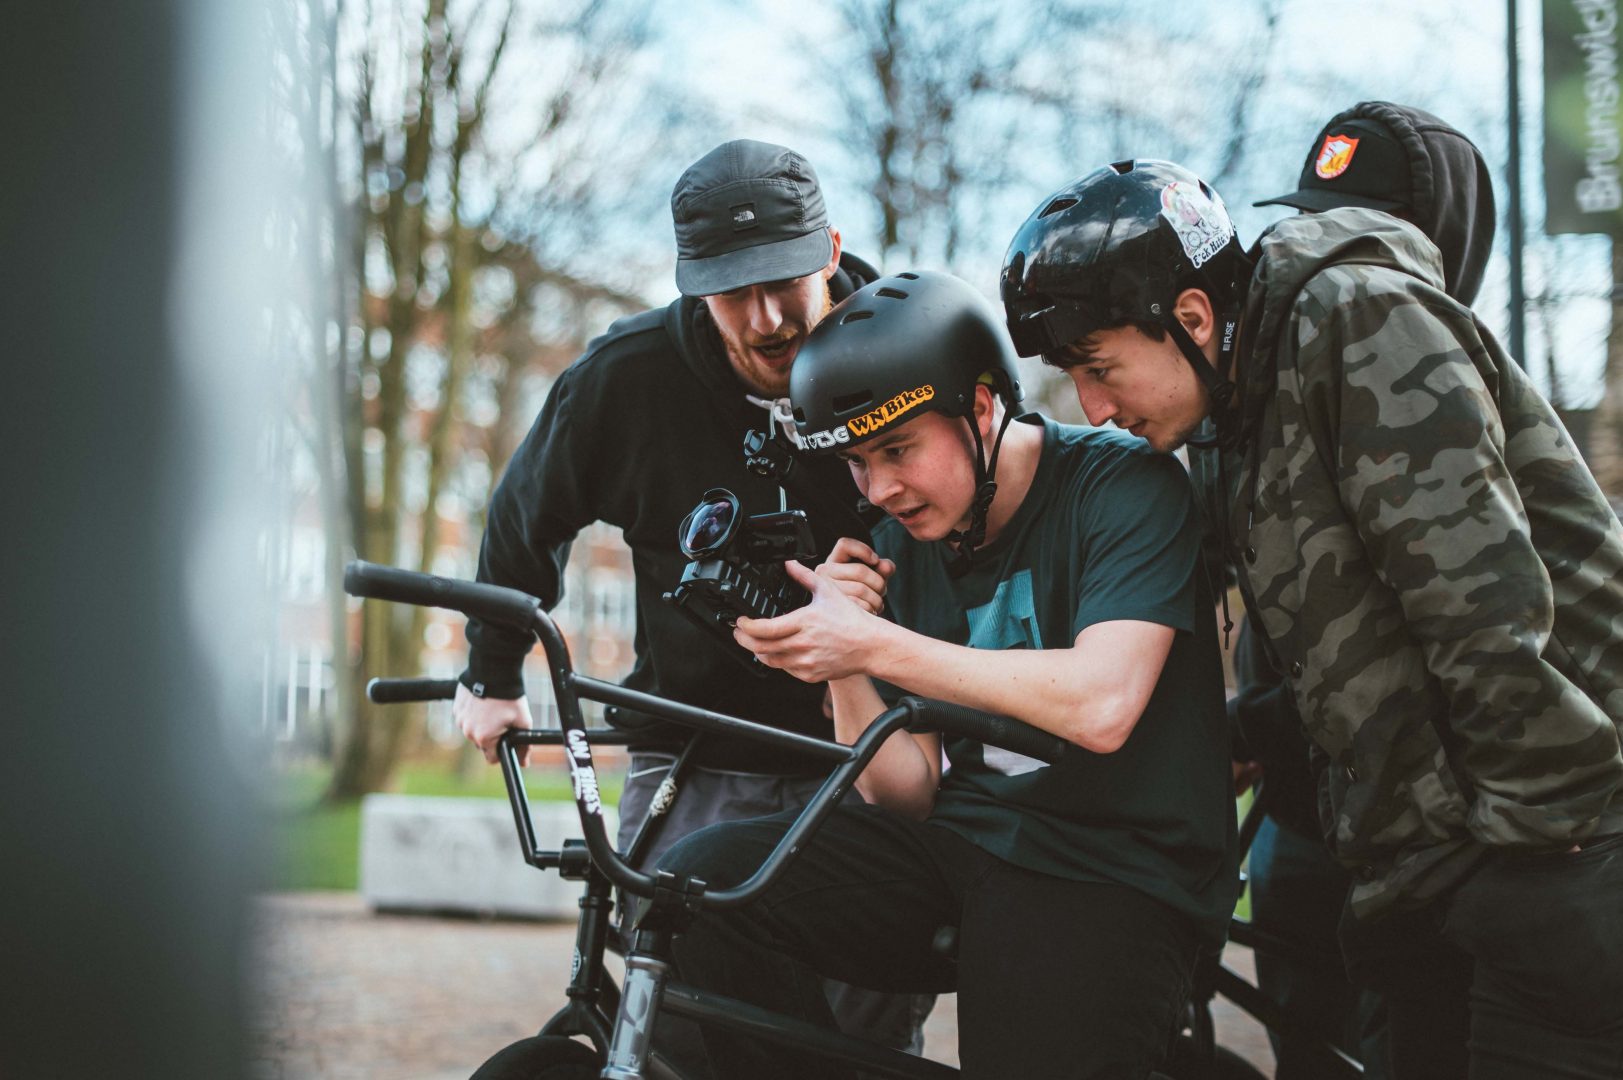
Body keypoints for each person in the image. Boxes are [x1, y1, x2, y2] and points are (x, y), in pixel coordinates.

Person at [1001, 157, 1623, 1079]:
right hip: (1421, 867)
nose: (1093, 406)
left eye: (1099, 368)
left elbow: (1483, 614)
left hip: (1552, 847)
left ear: (1193, 318)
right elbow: (1334, 638)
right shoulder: (1224, 419)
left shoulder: (1357, 319)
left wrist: (1539, 852)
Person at [654, 270, 1240, 1079]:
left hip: (1114, 864)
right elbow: (906, 792)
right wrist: (842, 663)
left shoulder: (1123, 484)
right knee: (697, 885)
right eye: (858, 463)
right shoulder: (900, 543)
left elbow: (1102, 704)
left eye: (897, 450)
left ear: (981, 408)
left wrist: (872, 647)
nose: (881, 488)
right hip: (964, 842)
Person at [453, 138, 927, 1055]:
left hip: (868, 750)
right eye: (729, 289)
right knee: (685, 1014)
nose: (763, 318)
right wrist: (491, 673)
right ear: (689, 284)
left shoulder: (906, 348)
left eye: (783, 280)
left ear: (829, 250)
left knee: (862, 1032)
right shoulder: (624, 381)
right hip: (695, 747)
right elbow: (523, 517)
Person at [1229, 100, 1497, 1080]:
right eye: (1305, 225)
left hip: (1429, 847)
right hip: (1300, 835)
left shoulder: (1466, 423)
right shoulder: (1268, 403)